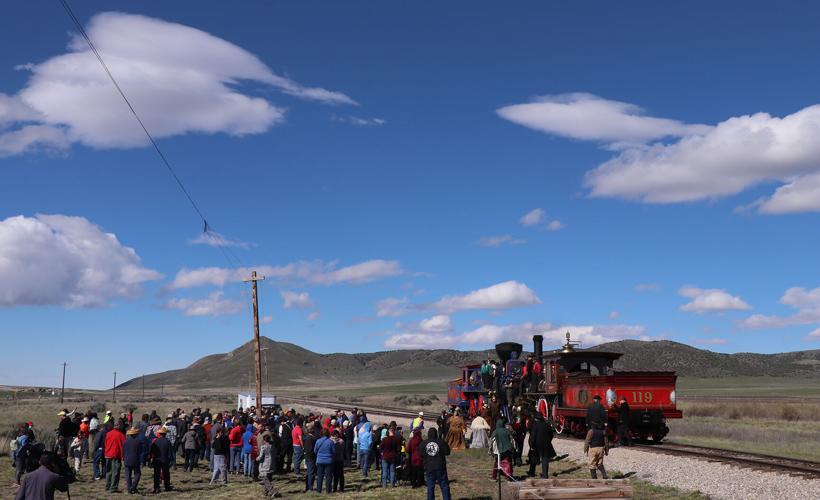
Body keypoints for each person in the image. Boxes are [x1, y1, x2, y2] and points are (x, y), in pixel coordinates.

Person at [421, 428, 451, 500]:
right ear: (436, 433)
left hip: (429, 467)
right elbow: (447, 452)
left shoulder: (424, 443)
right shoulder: (441, 442)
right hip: (440, 466)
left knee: (430, 487)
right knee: (444, 486)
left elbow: (421, 454)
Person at [527, 411, 555, 478]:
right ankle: (545, 475)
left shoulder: (535, 425)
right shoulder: (547, 424)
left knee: (534, 457)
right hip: (546, 443)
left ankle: (531, 472)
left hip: (537, 443)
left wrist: (531, 445)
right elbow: (551, 434)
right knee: (545, 458)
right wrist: (548, 441)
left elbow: (533, 435)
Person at [104, 422, 126, 493]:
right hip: (116, 455)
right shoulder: (121, 435)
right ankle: (113, 487)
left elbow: (105, 443)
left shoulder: (108, 433)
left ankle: (107, 485)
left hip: (107, 454)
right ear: (119, 427)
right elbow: (124, 447)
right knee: (115, 472)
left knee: (108, 471)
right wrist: (123, 456)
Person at [257, 433, 281, 497]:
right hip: (272, 463)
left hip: (265, 464)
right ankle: (265, 493)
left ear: (264, 440)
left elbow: (261, 456)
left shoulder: (264, 447)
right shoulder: (273, 446)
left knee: (265, 479)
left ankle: (273, 491)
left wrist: (257, 459)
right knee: (269, 478)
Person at [314, 428, 335, 494]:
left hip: (320, 460)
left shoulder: (318, 441)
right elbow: (334, 451)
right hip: (329, 460)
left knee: (320, 476)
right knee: (328, 476)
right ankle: (328, 491)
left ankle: (318, 490)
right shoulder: (331, 442)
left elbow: (315, 451)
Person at [123, 428, 142, 494]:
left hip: (127, 459)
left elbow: (123, 450)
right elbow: (140, 451)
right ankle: (133, 486)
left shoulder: (125, 441)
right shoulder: (138, 441)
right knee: (137, 474)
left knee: (128, 475)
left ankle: (129, 489)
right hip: (135, 459)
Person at [303, 421, 319, 492]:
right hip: (310, 457)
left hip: (309, 457)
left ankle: (308, 487)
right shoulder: (310, 438)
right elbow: (309, 450)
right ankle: (309, 487)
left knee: (310, 472)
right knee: (311, 472)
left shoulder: (309, 437)